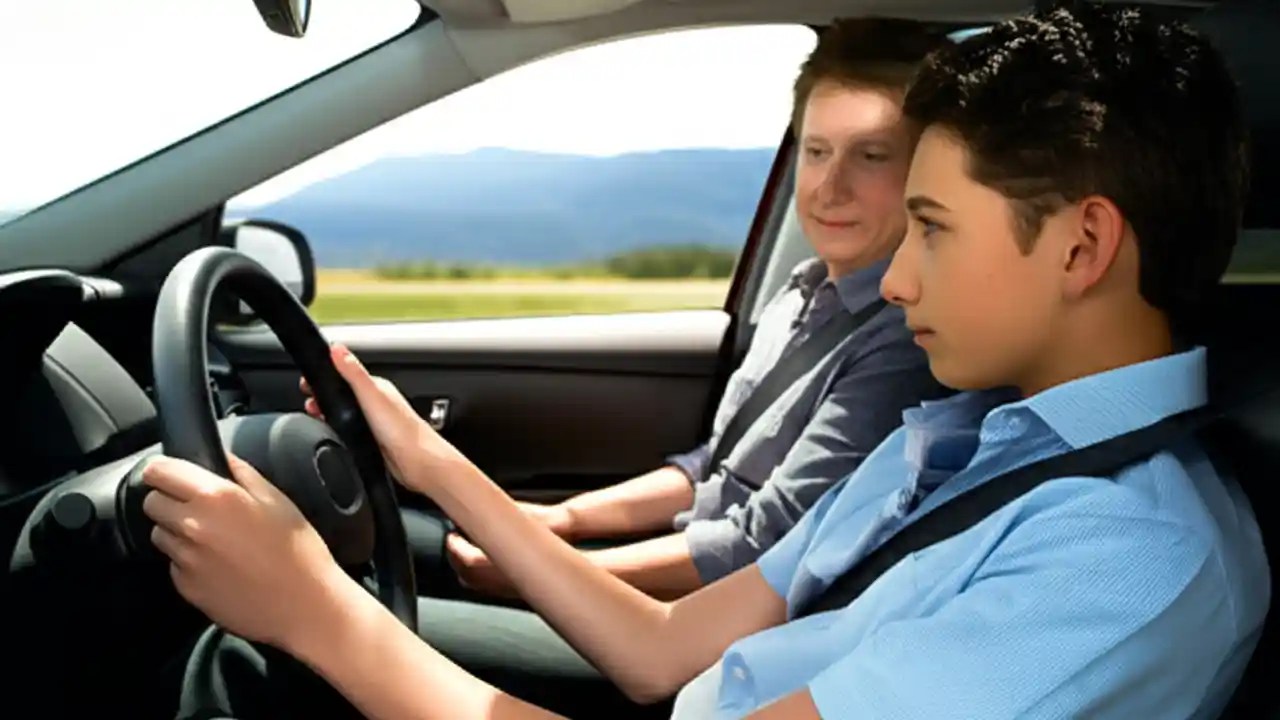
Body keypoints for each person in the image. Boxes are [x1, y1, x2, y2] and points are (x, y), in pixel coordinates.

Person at [141, 4, 1269, 719]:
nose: (900, 279)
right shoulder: (957, 439)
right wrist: (431, 465)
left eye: (931, 228)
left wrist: (317, 612)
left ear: (1080, 247)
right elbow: (664, 650)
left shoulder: (1124, 563)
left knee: (257, 666)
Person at [407, 18, 949, 604]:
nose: (829, 187)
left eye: (871, 156)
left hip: (732, 614)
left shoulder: (907, 343)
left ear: (929, 174)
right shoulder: (800, 294)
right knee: (420, 540)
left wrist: (540, 572)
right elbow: (715, 470)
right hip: (690, 566)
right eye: (816, 152)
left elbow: (767, 544)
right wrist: (564, 520)